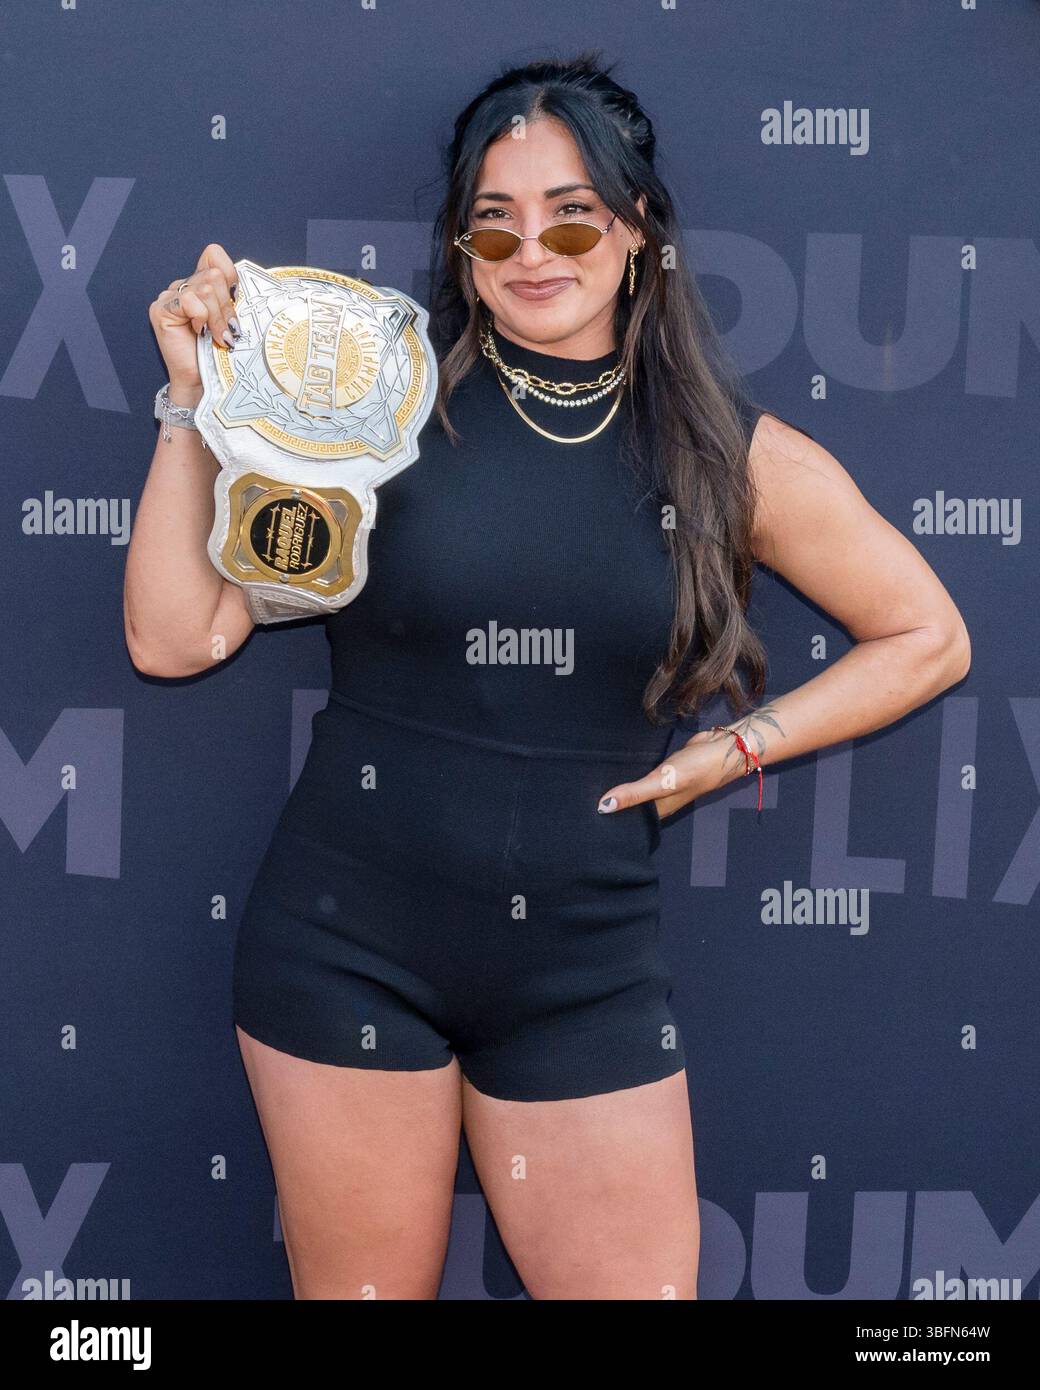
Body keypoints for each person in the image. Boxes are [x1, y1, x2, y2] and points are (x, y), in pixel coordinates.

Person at [124, 52, 971, 1300]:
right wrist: (194, 401)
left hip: (582, 973)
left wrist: (728, 753)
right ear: (460, 245)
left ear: (637, 231)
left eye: (572, 214)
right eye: (494, 221)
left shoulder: (725, 457)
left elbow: (926, 635)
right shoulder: (374, 402)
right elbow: (175, 638)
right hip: (342, 950)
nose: (534, 249)